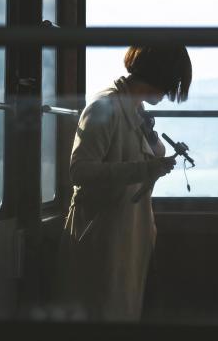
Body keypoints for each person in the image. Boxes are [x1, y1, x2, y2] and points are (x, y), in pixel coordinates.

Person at [57, 45, 192, 321]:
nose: (168, 93)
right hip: (102, 234)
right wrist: (144, 168)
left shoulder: (134, 108)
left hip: (128, 232)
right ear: (160, 76)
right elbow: (80, 171)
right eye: (170, 86)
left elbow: (143, 155)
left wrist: (153, 142)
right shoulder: (104, 107)